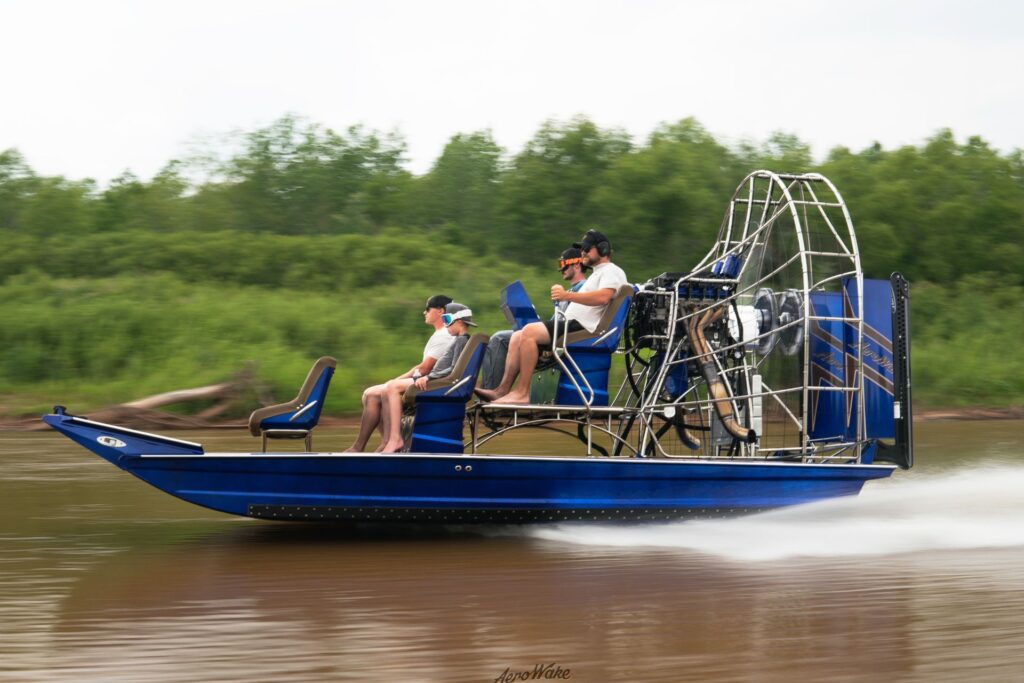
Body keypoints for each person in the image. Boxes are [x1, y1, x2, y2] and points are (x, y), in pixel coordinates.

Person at [478, 229, 627, 405]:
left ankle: (522, 393)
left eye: (587, 248)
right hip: (572, 325)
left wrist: (566, 296)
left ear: (602, 249)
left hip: (584, 328)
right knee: (518, 336)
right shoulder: (598, 273)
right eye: (582, 249)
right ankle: (501, 390)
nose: (583, 252)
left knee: (529, 332)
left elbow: (603, 297)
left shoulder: (611, 271)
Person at [345, 294, 454, 452]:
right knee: (369, 394)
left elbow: (425, 368)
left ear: (440, 311)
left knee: (382, 391)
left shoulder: (444, 335)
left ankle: (384, 442)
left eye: (427, 309)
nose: (424, 312)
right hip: (425, 379)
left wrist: (393, 381)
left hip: (432, 382)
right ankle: (385, 442)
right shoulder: (440, 334)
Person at [479, 246, 589, 390]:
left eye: (563, 264)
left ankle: (492, 393)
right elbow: (554, 321)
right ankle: (493, 391)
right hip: (554, 334)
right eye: (559, 265)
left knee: (500, 339)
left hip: (565, 338)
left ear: (576, 264)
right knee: (500, 337)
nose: (560, 269)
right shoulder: (566, 293)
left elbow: (571, 321)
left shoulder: (585, 290)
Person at [379, 303, 478, 453]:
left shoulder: (460, 340)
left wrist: (429, 377)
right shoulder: (459, 339)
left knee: (392, 387)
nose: (445, 324)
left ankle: (395, 439)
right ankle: (395, 440)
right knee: (390, 388)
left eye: (446, 319)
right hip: (435, 380)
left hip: (437, 382)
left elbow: (452, 370)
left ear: (458, 321)